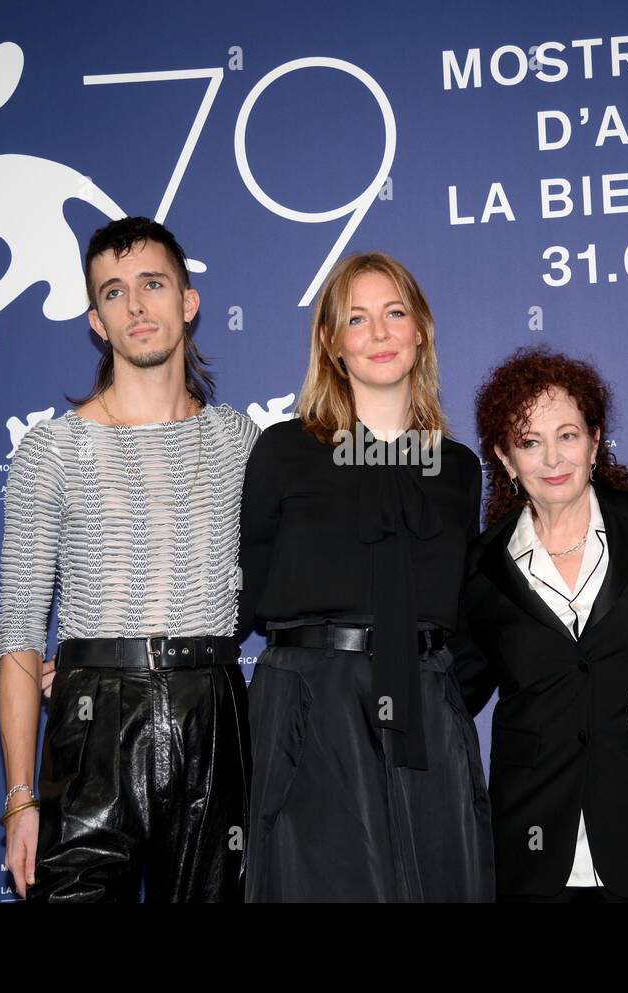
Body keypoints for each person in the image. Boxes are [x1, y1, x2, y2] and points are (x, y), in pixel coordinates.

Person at [0, 216, 258, 902]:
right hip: (93, 728)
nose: (136, 305)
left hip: (214, 711)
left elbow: (280, 583)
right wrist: (21, 799)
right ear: (96, 320)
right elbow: (20, 634)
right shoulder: (48, 452)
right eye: (114, 293)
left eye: (152, 284)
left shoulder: (240, 442)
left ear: (188, 301)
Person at [237, 251, 494, 902]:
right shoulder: (282, 450)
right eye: (358, 318)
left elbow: (469, 615)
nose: (379, 333)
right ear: (332, 342)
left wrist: (437, 694)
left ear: (421, 330)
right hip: (310, 712)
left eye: (394, 313)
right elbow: (238, 592)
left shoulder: (459, 469)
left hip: (425, 713)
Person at [450, 347, 628, 902]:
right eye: (529, 442)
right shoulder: (482, 565)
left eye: (567, 435)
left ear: (594, 440)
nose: (552, 458)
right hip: (533, 842)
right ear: (506, 459)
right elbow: (453, 691)